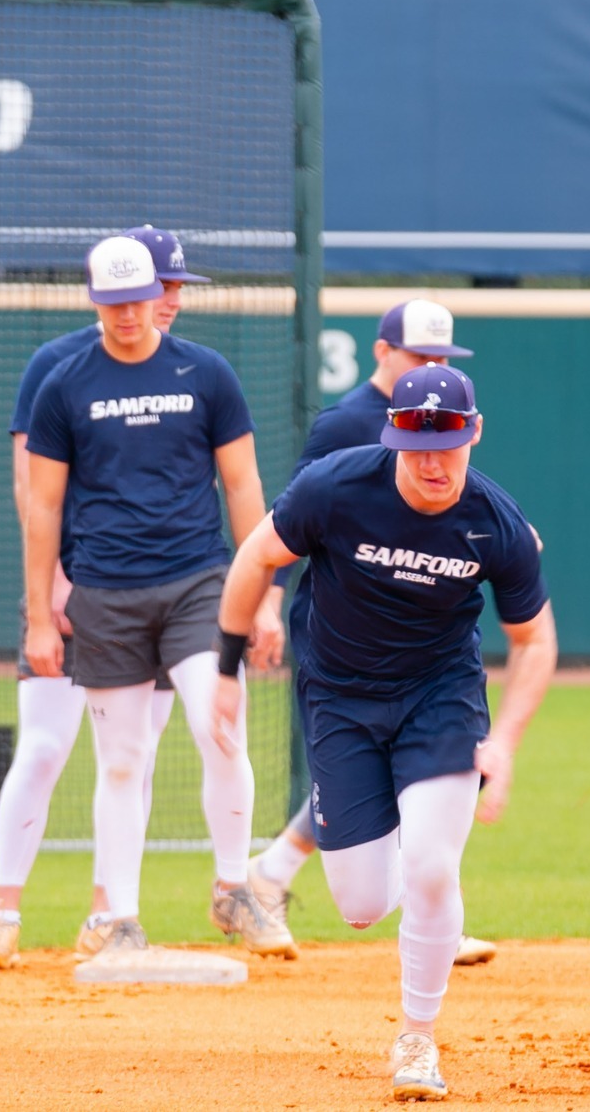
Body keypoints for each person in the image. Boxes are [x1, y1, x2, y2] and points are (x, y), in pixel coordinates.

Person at [212, 363, 557, 1101]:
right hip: (339, 699)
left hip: (441, 698)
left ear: (476, 434)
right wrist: (224, 666)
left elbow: (534, 640)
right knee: (362, 905)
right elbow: (255, 557)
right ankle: (392, 847)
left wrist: (507, 742)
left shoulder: (496, 523)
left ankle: (417, 1039)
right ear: (391, 433)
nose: (434, 461)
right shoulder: (335, 488)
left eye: (450, 441)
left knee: (432, 865)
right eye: (416, 441)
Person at [21, 235, 290, 965]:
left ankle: (237, 887)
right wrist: (41, 614)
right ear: (95, 302)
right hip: (105, 591)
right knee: (122, 760)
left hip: (199, 582)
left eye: (138, 300)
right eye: (112, 303)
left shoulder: (205, 372)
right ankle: (122, 918)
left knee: (218, 726)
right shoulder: (64, 384)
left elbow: (243, 487)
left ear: (157, 296)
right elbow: (41, 506)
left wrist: (262, 599)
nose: (128, 315)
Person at [0, 225, 209, 970]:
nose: (166, 300)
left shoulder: (189, 371)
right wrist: (55, 590)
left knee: (131, 755)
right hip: (73, 584)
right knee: (42, 747)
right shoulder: (59, 365)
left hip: (157, 591)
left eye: (172, 288)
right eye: (154, 286)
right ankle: (2, 912)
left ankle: (109, 908)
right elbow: (30, 489)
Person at [246, 299, 503, 967]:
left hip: (423, 639)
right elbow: (288, 523)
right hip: (342, 633)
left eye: (444, 357)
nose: (434, 366)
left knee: (416, 771)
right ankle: (412, 892)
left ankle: (423, 892)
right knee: (368, 774)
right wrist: (267, 606)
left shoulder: (446, 426)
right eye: (421, 355)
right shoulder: (348, 425)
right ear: (382, 352)